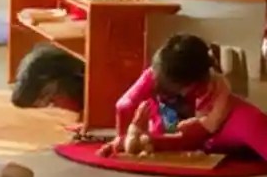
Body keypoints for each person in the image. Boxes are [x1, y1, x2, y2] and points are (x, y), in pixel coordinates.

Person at [100, 34, 267, 160]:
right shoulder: (155, 76)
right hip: (165, 137)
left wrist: (202, 127)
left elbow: (208, 127)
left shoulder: (215, 85)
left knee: (252, 122)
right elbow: (124, 105)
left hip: (211, 130)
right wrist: (122, 137)